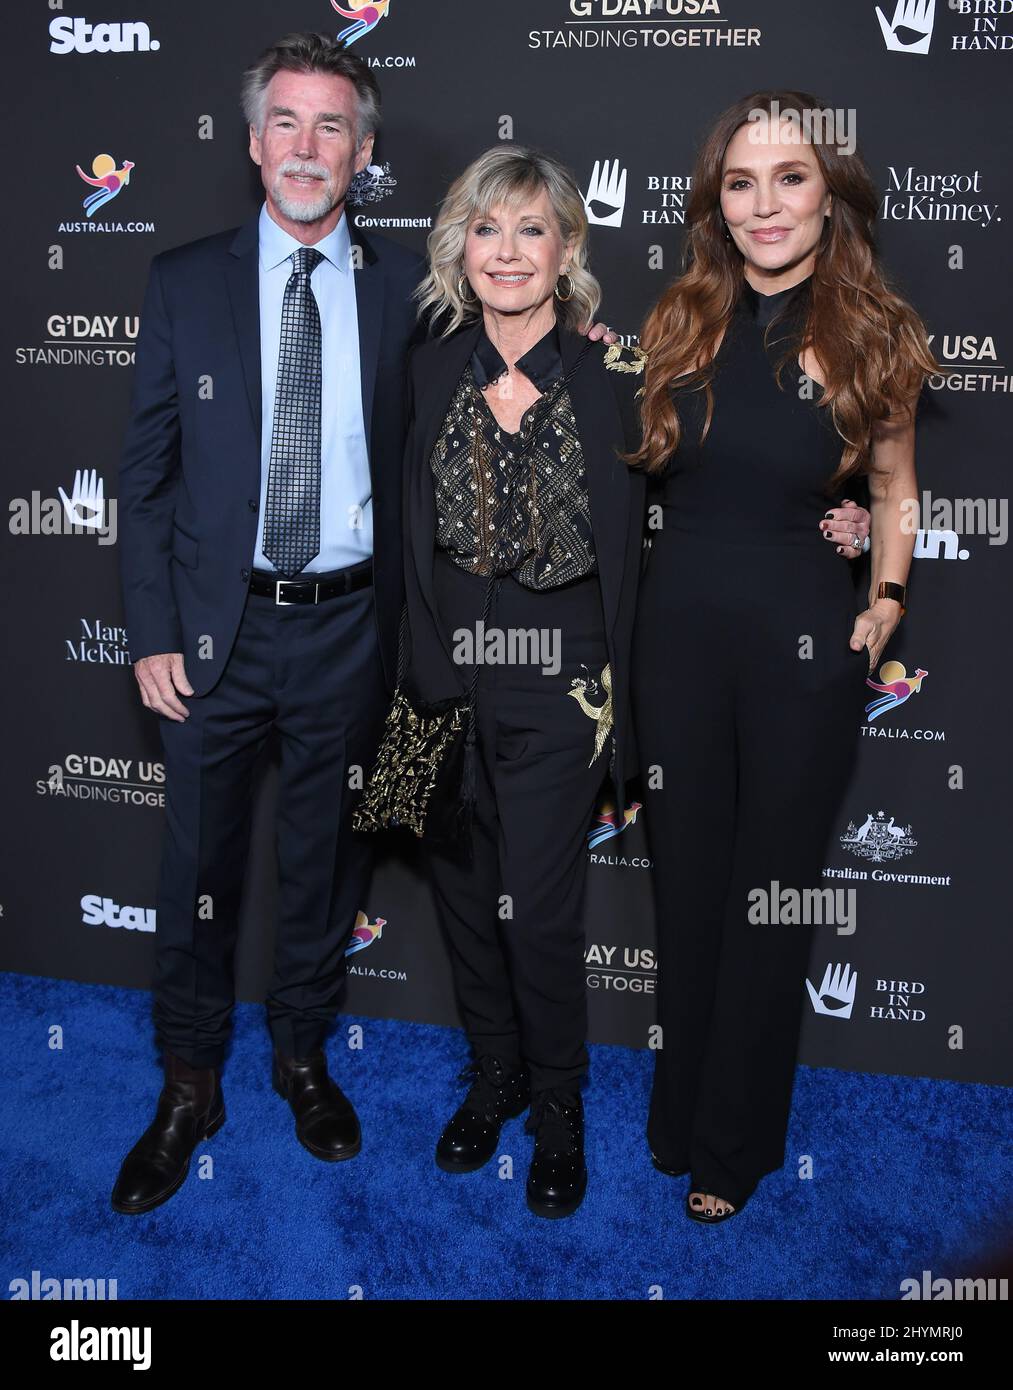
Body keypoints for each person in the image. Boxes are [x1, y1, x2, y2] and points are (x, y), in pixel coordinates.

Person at [112, 32, 426, 1214]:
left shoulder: (409, 291)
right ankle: (190, 1082)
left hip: (352, 630)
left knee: (322, 864)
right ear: (252, 145)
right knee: (196, 865)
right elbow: (142, 479)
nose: (306, 146)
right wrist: (150, 630)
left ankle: (300, 1058)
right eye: (285, 123)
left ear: (362, 152)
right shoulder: (181, 280)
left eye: (331, 126)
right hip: (214, 633)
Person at [629, 90, 936, 1222]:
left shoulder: (870, 332)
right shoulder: (679, 319)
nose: (764, 204)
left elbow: (895, 487)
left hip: (803, 648)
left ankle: (733, 1143)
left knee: (767, 896)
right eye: (741, 182)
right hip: (675, 645)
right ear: (718, 199)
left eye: (790, 177)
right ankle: (675, 1111)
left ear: (829, 193)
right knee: (689, 890)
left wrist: (886, 592)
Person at [385, 146, 647, 1219]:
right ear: (459, 246)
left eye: (530, 229)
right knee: (460, 889)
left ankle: (556, 1105)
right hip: (439, 663)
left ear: (567, 250)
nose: (506, 251)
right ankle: (490, 1075)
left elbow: (702, 506)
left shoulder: (617, 374)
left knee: (535, 908)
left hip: (559, 674)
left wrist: (846, 520)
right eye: (486, 229)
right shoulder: (425, 363)